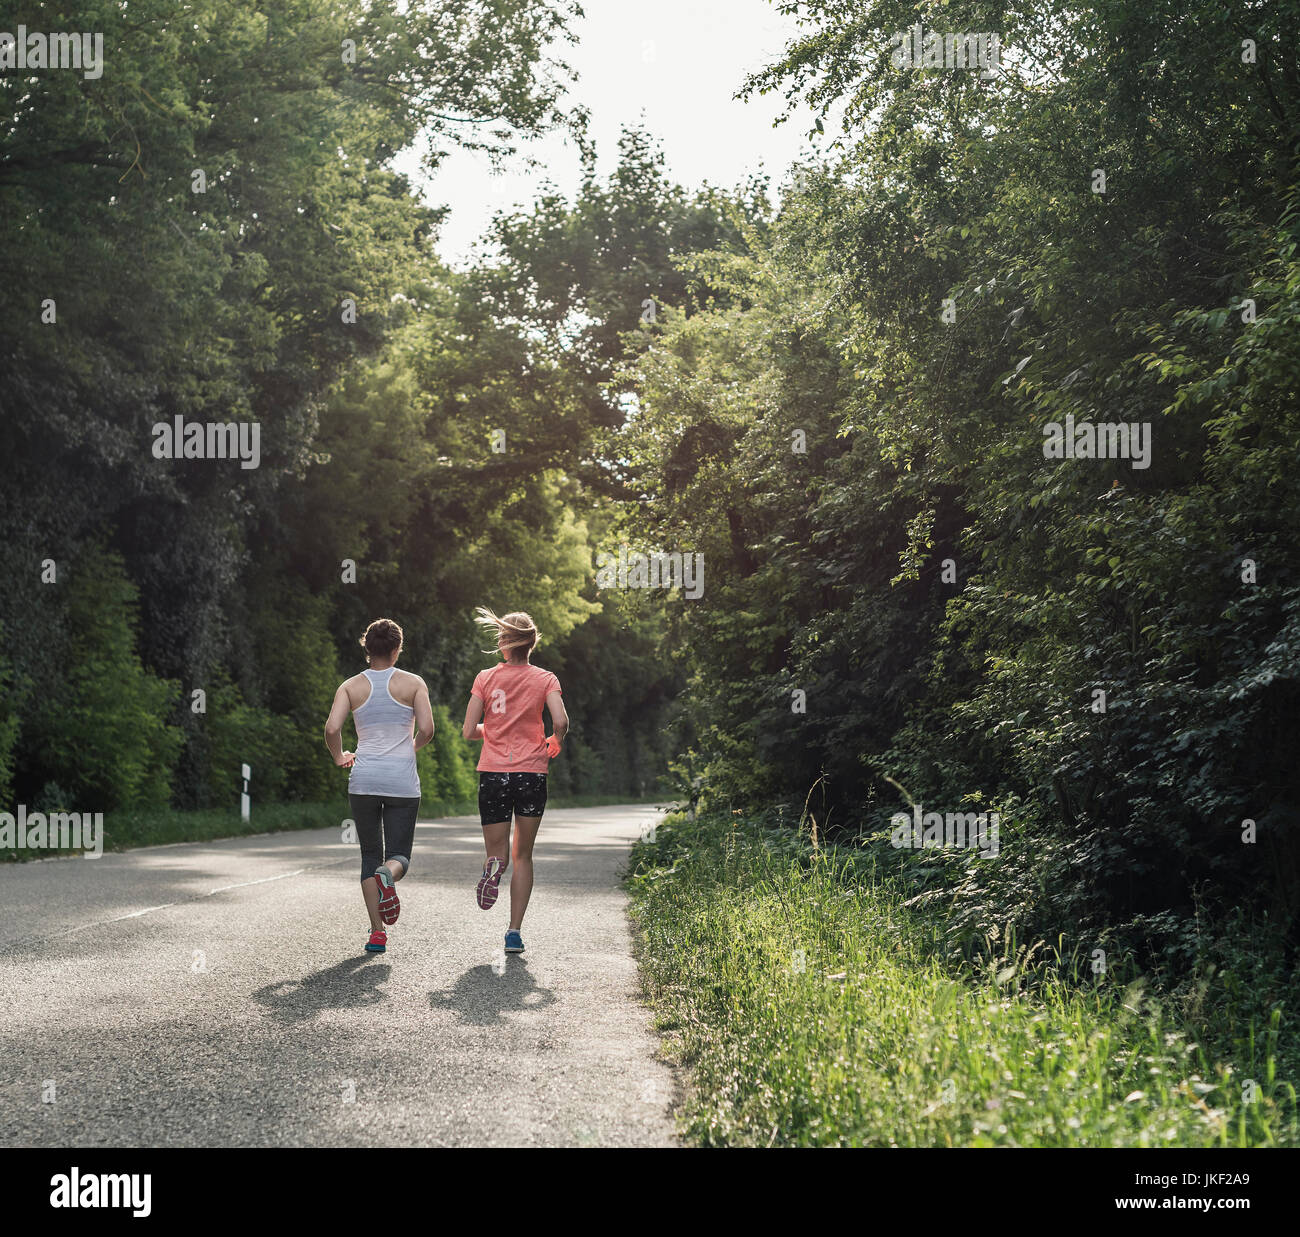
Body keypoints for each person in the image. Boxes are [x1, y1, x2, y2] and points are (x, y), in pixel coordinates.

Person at [324, 618, 434, 954]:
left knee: (368, 855)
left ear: (367, 647)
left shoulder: (350, 686)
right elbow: (427, 730)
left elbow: (331, 729)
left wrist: (340, 756)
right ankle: (389, 873)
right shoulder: (414, 683)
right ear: (397, 648)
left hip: (364, 778)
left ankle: (377, 933)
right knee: (398, 855)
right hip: (401, 779)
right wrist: (408, 749)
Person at [461, 608, 568, 954]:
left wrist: (492, 729)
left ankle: (493, 868)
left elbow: (467, 731)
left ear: (504, 643)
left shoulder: (485, 678)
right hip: (531, 773)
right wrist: (556, 739)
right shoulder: (546, 679)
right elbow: (561, 721)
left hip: (493, 772)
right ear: (532, 644)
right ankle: (513, 932)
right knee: (523, 854)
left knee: (498, 851)